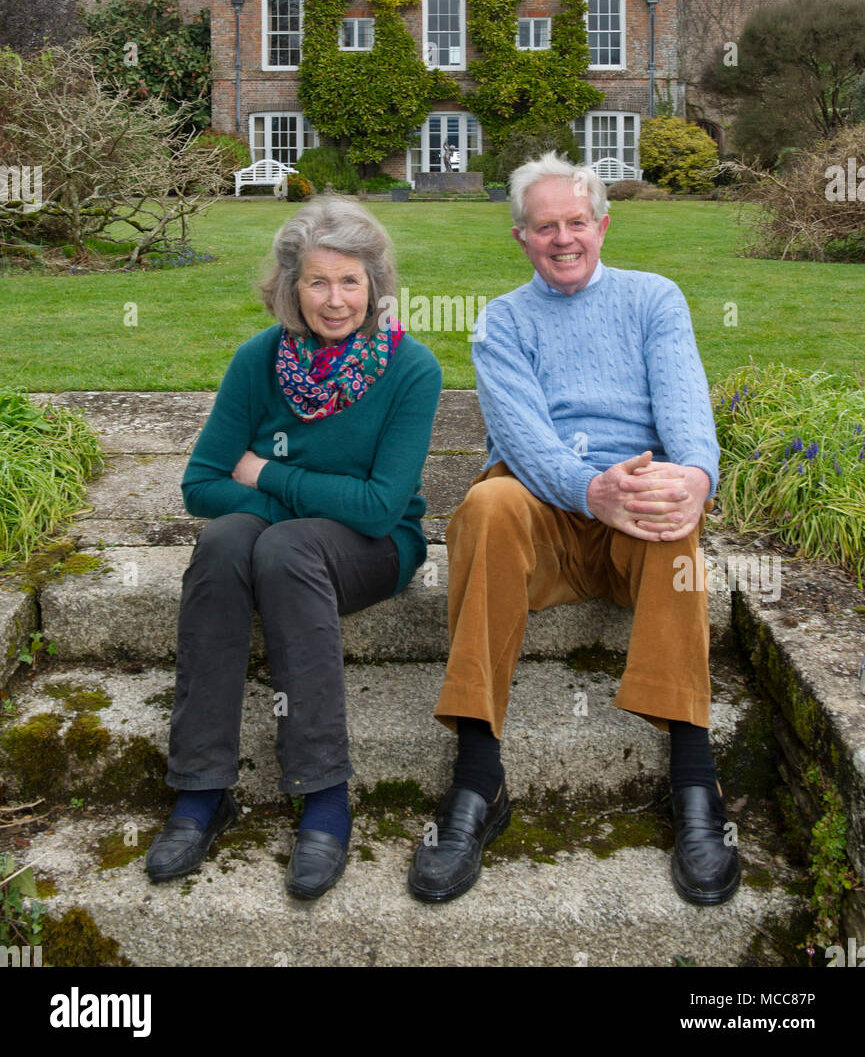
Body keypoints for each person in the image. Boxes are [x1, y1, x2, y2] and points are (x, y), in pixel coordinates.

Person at [408, 153, 741, 908]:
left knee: (667, 497)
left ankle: (694, 780)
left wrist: (694, 476)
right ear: (520, 236)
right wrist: (591, 490)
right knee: (487, 504)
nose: (563, 238)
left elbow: (686, 408)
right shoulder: (502, 321)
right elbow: (522, 441)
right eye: (544, 226)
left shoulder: (653, 298)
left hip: (636, 522)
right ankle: (476, 777)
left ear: (602, 225)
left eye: (576, 222)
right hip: (544, 521)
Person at [145, 195, 442, 899]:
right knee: (222, 542)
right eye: (316, 281)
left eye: (349, 281)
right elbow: (202, 485)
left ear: (374, 286)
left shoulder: (411, 369)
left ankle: (324, 797)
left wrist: (271, 475)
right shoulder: (260, 360)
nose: (334, 300)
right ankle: (201, 788)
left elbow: (377, 507)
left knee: (283, 550)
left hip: (375, 547)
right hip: (282, 533)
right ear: (290, 286)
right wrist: (296, 498)